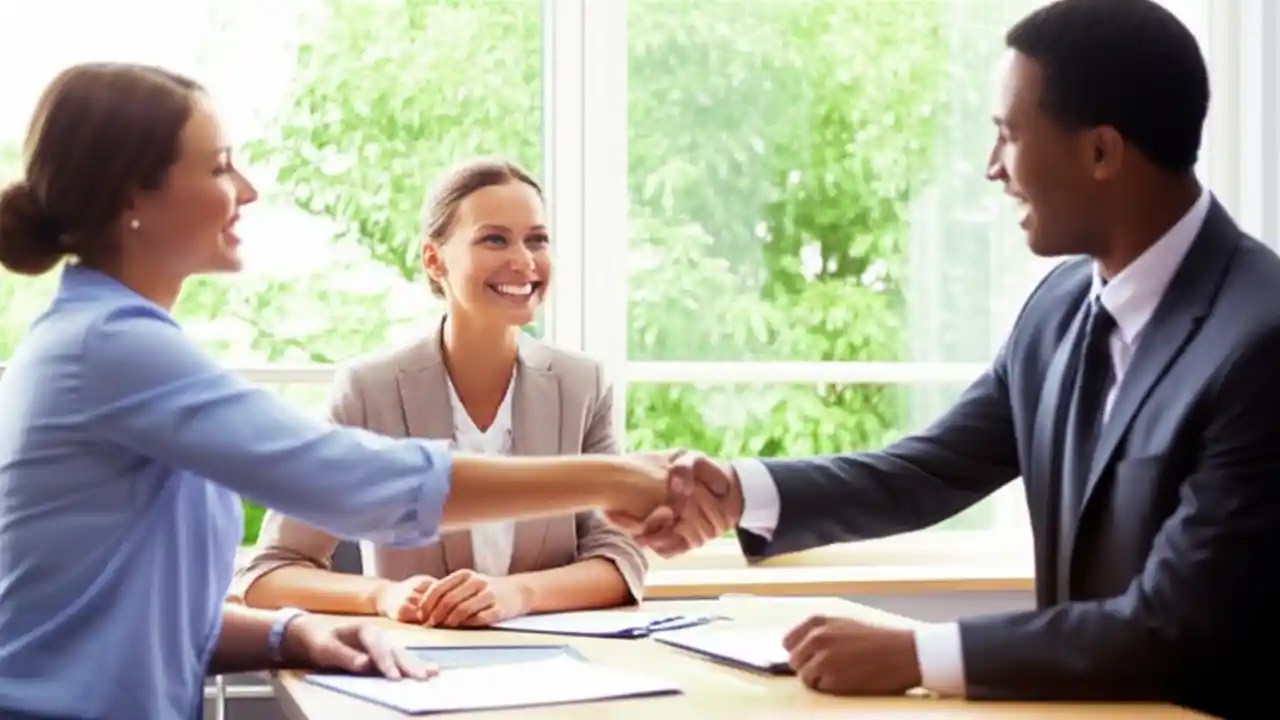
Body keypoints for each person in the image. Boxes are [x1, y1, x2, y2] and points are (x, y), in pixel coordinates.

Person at [619, 1, 1280, 717]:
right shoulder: (1058, 308)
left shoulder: (1260, 342)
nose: (992, 168)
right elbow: (928, 470)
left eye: (1008, 134)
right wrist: (737, 494)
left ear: (1101, 153)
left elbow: (1170, 626)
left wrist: (916, 655)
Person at [0, 63, 667, 720]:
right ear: (131, 199)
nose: (249, 190)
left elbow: (126, 607)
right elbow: (354, 482)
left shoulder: (103, 339)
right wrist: (616, 480)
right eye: (220, 167)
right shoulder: (115, 349)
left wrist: (289, 634)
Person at [233, 158, 647, 627]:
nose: (524, 261)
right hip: (420, 667)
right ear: (434, 259)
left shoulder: (582, 384)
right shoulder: (371, 390)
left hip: (563, 664)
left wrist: (516, 594)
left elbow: (621, 558)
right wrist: (384, 596)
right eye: (495, 239)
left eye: (537, 239)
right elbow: (270, 572)